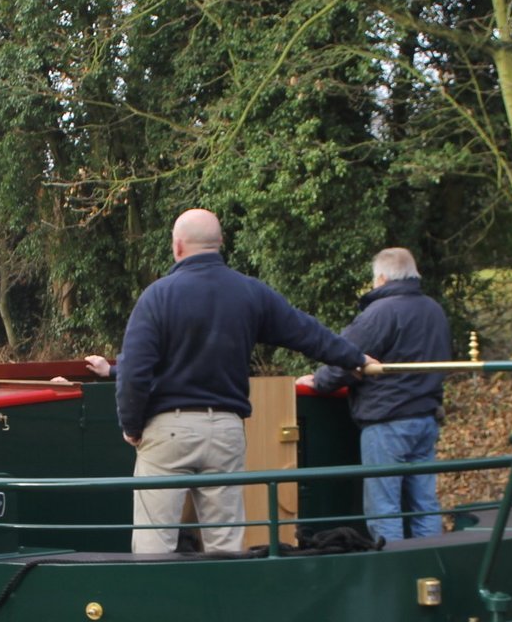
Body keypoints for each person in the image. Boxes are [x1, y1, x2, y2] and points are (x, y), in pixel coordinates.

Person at [115, 208, 371, 554]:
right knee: (225, 541)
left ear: (177, 246)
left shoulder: (157, 296)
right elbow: (306, 332)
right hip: (226, 430)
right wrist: (355, 358)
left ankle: (155, 591)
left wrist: (131, 425)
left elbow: (134, 371)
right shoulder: (250, 293)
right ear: (220, 243)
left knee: (154, 540)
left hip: (168, 429)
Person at [299, 247, 453, 541]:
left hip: (387, 419)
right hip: (426, 416)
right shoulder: (433, 310)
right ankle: (429, 561)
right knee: (424, 504)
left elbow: (345, 356)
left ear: (381, 278)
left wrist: (319, 381)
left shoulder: (381, 313)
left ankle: (392, 565)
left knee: (384, 507)